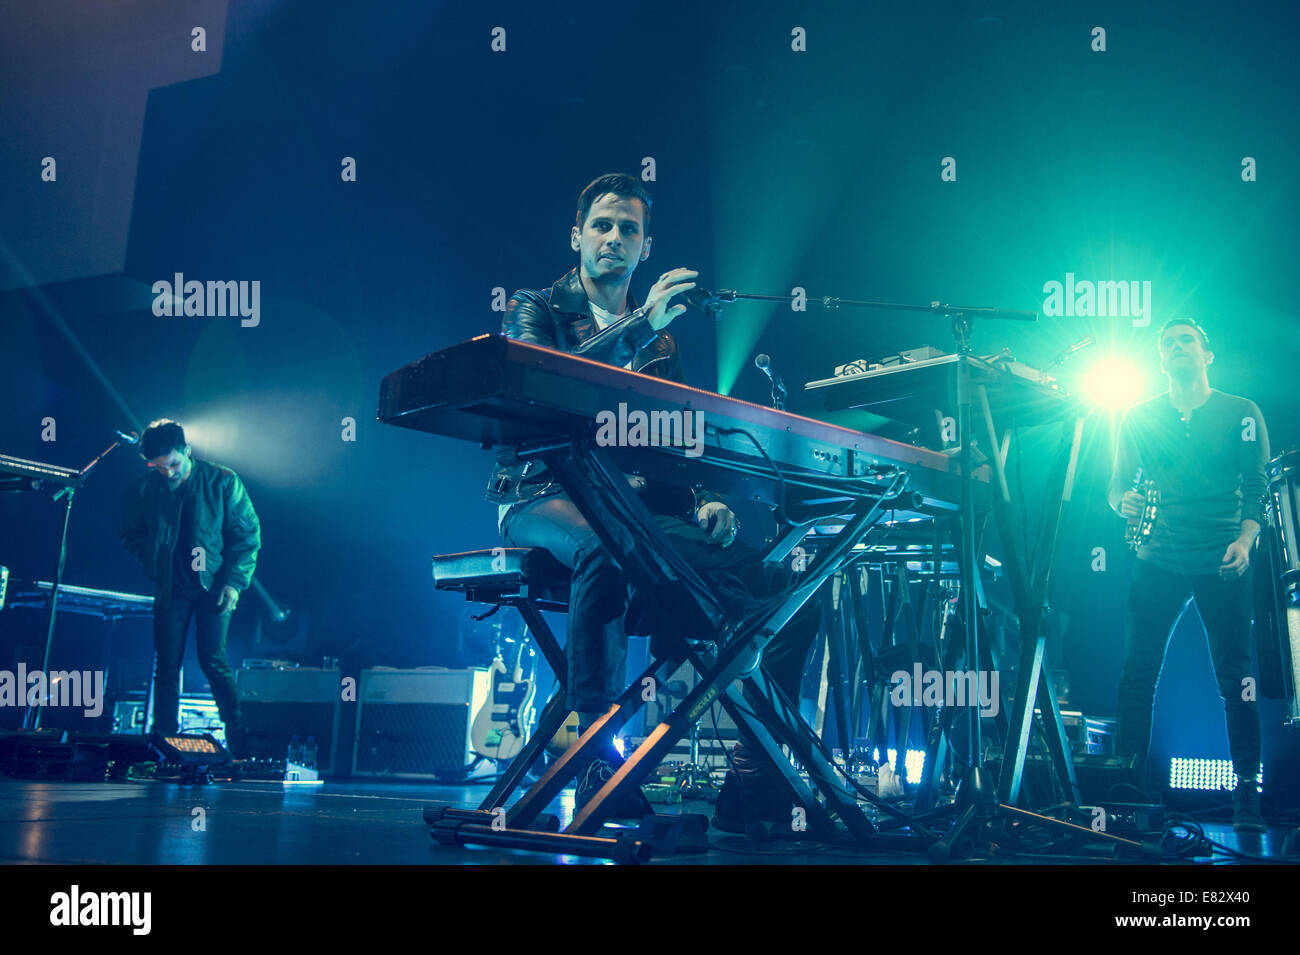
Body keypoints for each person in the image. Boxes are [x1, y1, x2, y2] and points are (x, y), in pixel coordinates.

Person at [489, 173, 820, 828]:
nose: (614, 237)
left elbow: (672, 440)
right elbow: (544, 386)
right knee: (606, 546)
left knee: (787, 588)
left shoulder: (662, 342)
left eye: (629, 229)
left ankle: (755, 775)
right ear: (577, 235)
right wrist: (641, 325)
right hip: (542, 493)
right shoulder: (536, 308)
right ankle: (594, 757)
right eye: (602, 225)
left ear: (646, 246)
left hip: (634, 509)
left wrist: (702, 500)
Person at [1108, 319, 1269, 831]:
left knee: (1237, 677)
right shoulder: (1138, 415)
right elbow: (1115, 485)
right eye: (1168, 343)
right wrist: (1122, 500)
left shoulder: (1241, 411)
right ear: (1161, 360)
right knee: (1137, 675)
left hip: (1222, 557)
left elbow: (1256, 489)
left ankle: (1247, 795)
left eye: (1186, 340)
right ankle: (1131, 794)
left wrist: (1245, 541)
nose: (1176, 347)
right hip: (1158, 557)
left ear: (1207, 354)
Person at [120, 419, 261, 756]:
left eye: (173, 464)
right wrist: (153, 563)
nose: (168, 472)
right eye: (159, 467)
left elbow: (247, 535)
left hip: (213, 587)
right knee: (166, 666)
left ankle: (240, 743)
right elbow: (131, 533)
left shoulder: (222, 480)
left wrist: (233, 584)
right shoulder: (145, 489)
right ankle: (165, 745)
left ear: (187, 450)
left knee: (213, 661)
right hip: (172, 588)